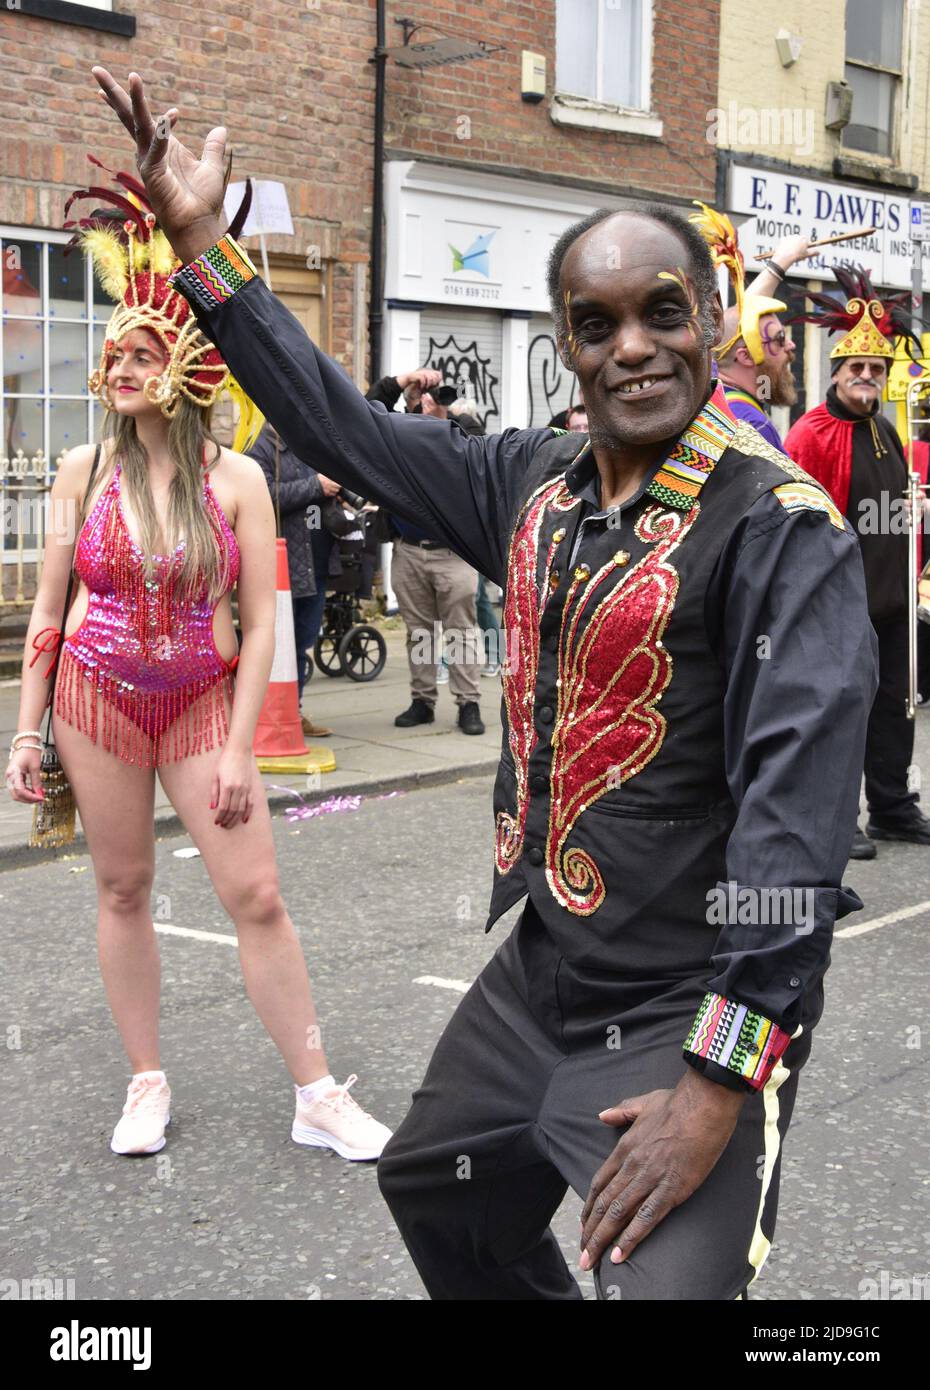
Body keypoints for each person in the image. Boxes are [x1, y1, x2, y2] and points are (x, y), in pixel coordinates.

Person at [94, 67, 877, 1300]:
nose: (633, 348)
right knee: (437, 1192)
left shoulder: (787, 533)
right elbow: (343, 428)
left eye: (663, 312)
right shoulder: (534, 481)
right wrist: (201, 245)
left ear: (716, 320)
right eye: (597, 323)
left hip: (689, 1002)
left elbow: (795, 840)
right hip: (545, 969)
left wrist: (720, 1083)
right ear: (563, 344)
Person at [4, 158, 390, 1163]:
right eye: (114, 353)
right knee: (123, 890)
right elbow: (52, 606)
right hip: (93, 702)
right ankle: (146, 1081)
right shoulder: (82, 470)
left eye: (141, 353)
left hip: (199, 706)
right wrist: (26, 727)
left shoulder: (241, 481)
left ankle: (317, 1091)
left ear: (186, 367)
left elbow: (261, 622)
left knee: (256, 894)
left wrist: (237, 750)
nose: (121, 368)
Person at [784, 265, 930, 860]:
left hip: (893, 602)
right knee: (840, 718)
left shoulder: (887, 430)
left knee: (896, 710)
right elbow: (793, 523)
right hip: (839, 605)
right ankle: (838, 822)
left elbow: (889, 512)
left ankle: (894, 807)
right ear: (838, 374)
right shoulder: (811, 434)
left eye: (876, 369)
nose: (867, 377)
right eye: (857, 369)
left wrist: (913, 507)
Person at [365, 368, 485, 734]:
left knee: (461, 632)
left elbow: (477, 444)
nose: (434, 400)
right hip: (409, 551)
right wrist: (403, 385)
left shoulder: (462, 434)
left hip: (454, 554)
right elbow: (368, 411)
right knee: (419, 631)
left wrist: (442, 415)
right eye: (429, 395)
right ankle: (423, 701)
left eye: (440, 397)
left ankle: (469, 704)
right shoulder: (397, 432)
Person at [247, 420, 340, 737]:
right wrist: (316, 486)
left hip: (314, 563)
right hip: (280, 568)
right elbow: (262, 495)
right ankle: (262, 717)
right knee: (273, 645)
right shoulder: (260, 449)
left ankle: (292, 713)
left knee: (302, 643)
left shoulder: (306, 443)